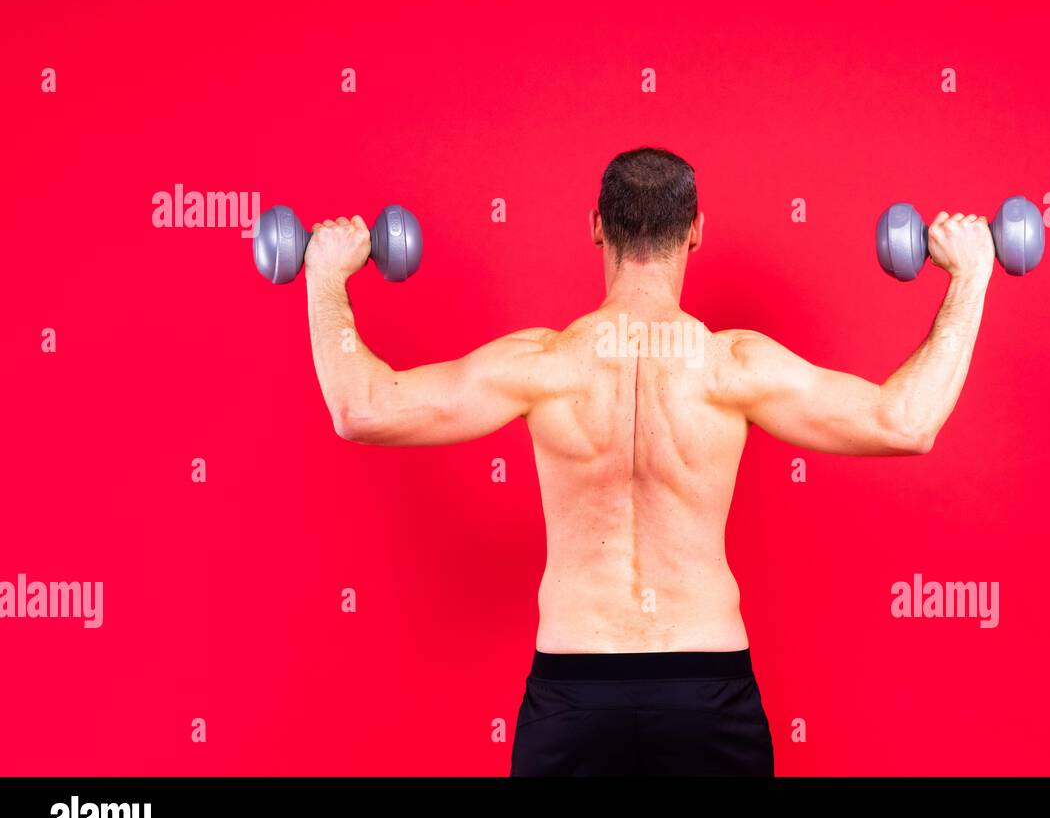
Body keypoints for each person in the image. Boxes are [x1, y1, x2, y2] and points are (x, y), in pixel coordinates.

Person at [303, 147, 994, 775]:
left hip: (573, 694)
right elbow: (905, 424)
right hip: (706, 691)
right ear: (696, 229)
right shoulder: (734, 366)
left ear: (597, 225)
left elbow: (362, 408)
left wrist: (326, 275)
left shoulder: (541, 365)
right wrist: (971, 275)